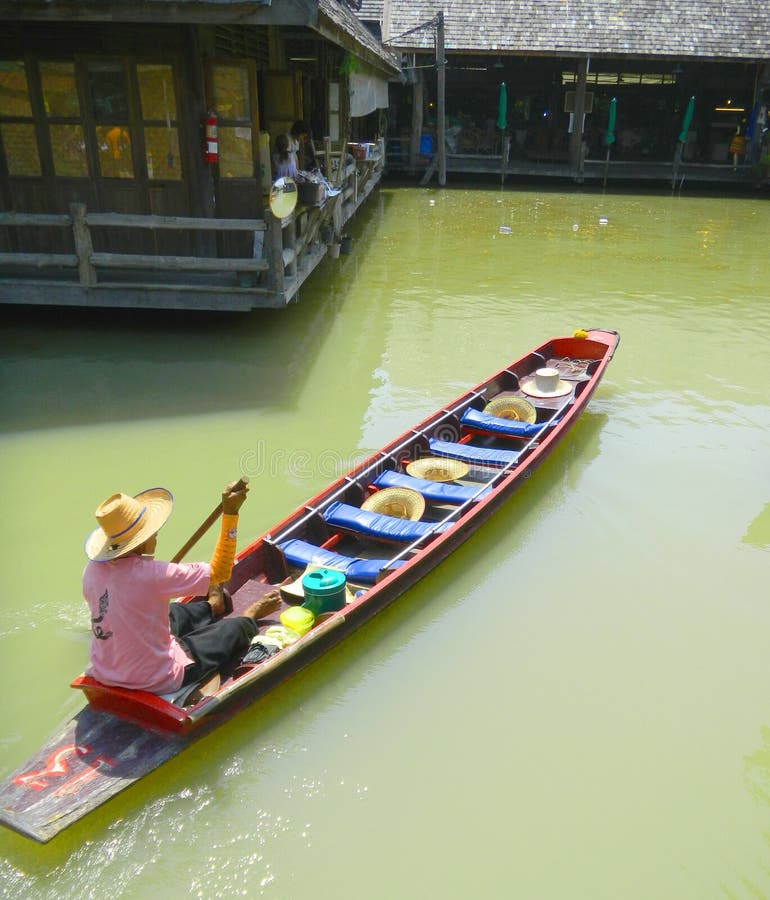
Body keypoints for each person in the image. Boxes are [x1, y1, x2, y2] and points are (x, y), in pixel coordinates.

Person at [82, 480, 281, 695]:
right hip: (157, 678)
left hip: (105, 671)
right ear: (140, 540)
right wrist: (230, 513)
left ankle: (213, 606)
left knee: (172, 611)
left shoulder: (91, 570)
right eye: (152, 531)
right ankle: (248, 616)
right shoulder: (153, 575)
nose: (156, 533)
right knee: (232, 628)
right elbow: (220, 572)